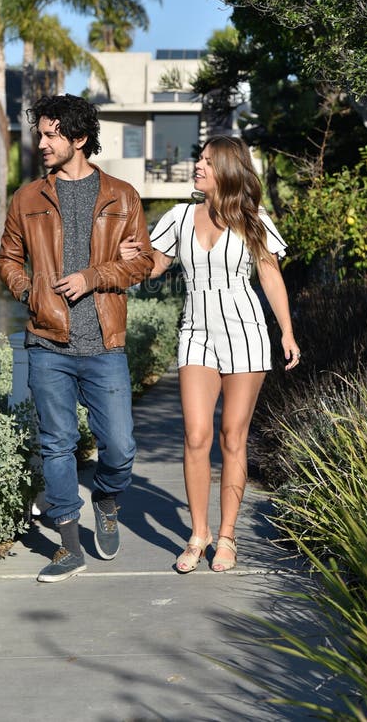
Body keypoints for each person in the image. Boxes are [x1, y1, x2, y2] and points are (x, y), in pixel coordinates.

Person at [120, 136, 300, 573]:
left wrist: (288, 333)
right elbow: (155, 266)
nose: (197, 166)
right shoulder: (181, 216)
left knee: (233, 439)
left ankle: (227, 537)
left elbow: (271, 279)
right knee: (197, 436)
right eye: (197, 159)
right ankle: (198, 535)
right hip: (195, 333)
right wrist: (129, 257)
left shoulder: (253, 218)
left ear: (227, 169)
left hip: (246, 333)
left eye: (205, 161)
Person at [0, 94, 153, 583]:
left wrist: (94, 276)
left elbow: (143, 262)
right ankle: (67, 545)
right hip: (46, 343)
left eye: (51, 135)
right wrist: (31, 292)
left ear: (79, 139)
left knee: (121, 446)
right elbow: (7, 259)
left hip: (104, 342)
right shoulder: (27, 198)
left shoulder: (122, 196)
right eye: (39, 134)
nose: (41, 144)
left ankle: (106, 500)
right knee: (57, 443)